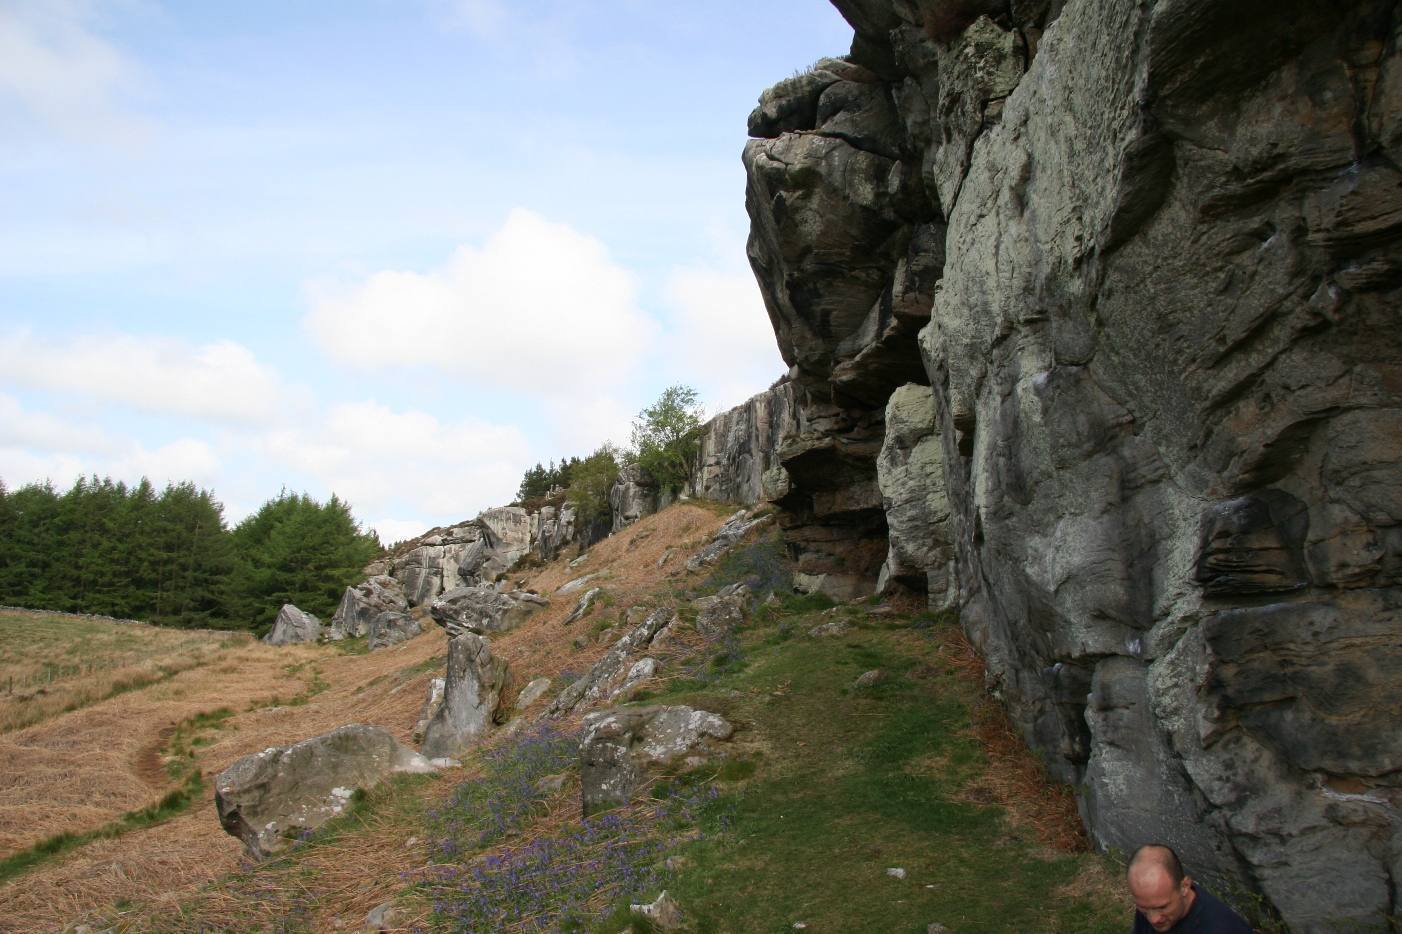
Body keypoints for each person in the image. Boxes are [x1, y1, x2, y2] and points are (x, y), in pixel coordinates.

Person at [1128, 844, 1252, 933]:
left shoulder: (1221, 929)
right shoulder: (1151, 900)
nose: (1153, 919)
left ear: (1185, 886)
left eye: (1162, 907)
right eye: (1143, 908)